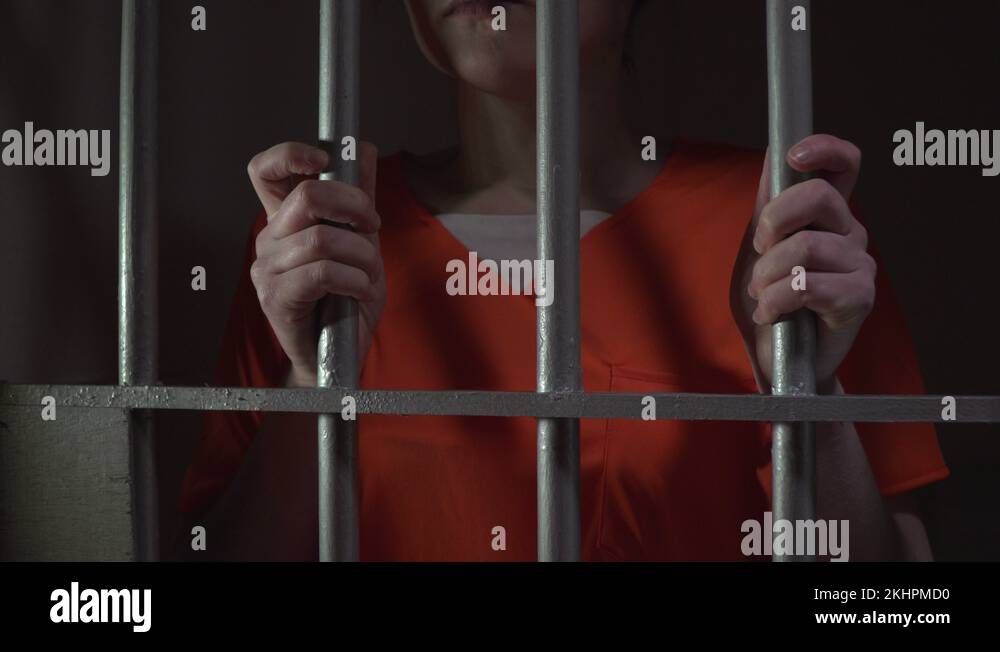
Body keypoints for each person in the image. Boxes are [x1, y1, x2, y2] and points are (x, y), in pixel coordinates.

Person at [177, 0, 948, 561]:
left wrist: (806, 395)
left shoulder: (786, 223)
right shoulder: (321, 235)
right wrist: (314, 380)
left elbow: (888, 610)